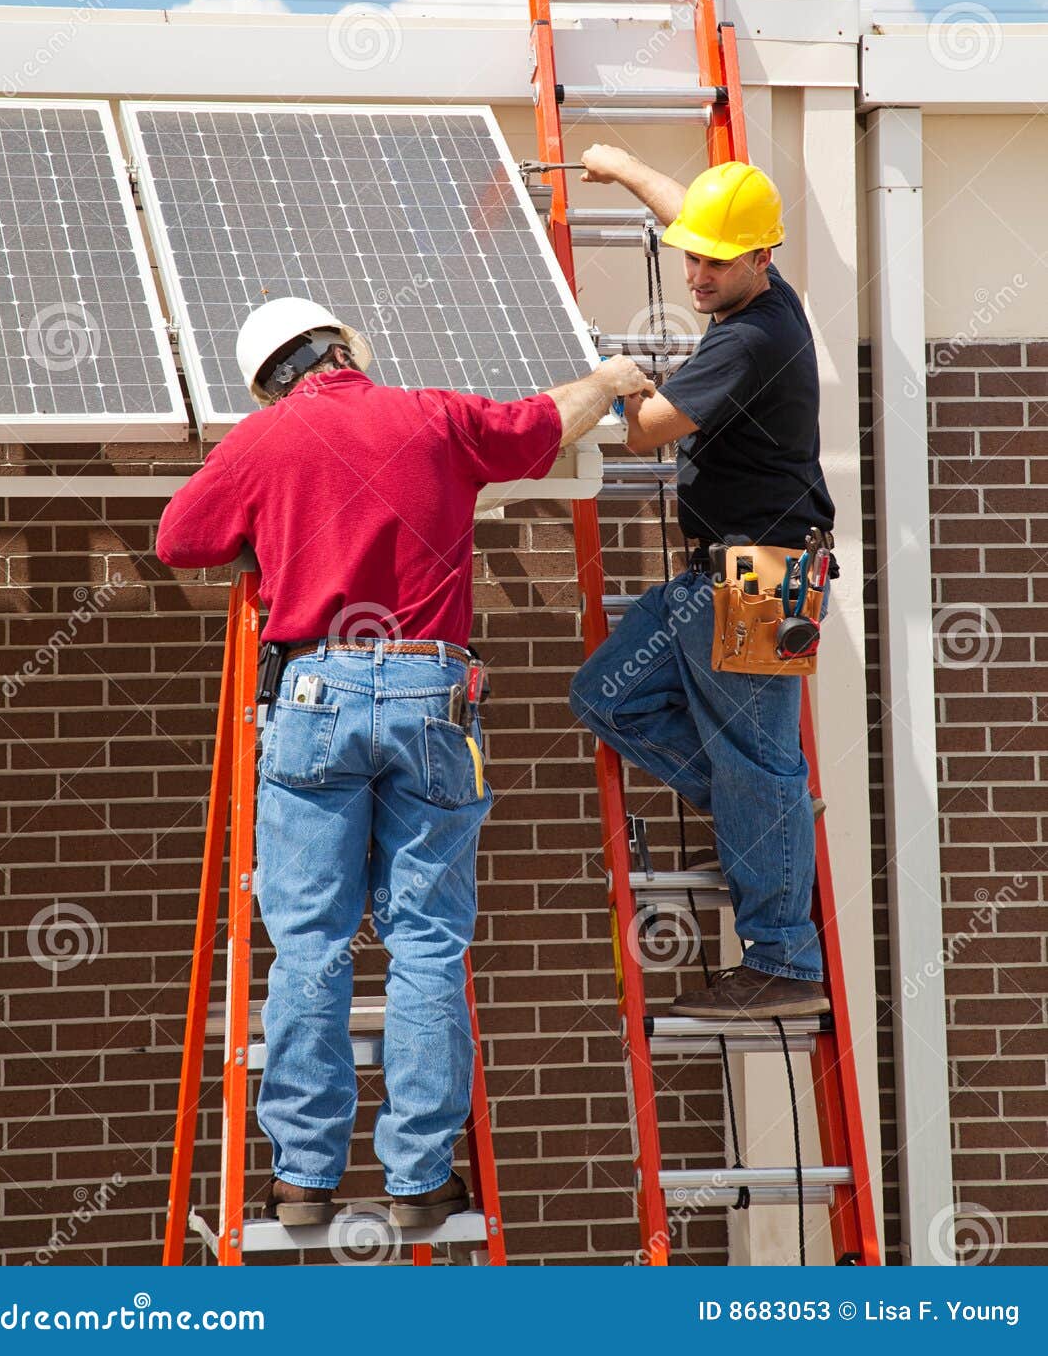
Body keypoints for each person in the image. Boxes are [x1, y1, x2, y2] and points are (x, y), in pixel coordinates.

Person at [156, 295, 651, 1228]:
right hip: (432, 694)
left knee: (309, 946)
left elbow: (181, 539)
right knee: (427, 943)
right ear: (344, 348)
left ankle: (303, 1178)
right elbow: (541, 421)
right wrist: (613, 379)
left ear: (269, 380)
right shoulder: (434, 416)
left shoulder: (265, 441)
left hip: (313, 697)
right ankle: (420, 1178)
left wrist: (279, 521)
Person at [569, 147, 836, 1022]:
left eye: (714, 261)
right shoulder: (762, 283)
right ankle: (767, 812)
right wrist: (619, 164)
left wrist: (612, 380)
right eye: (690, 255)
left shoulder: (752, 337)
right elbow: (692, 207)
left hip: (764, 576)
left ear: (760, 257)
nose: (695, 273)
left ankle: (783, 961)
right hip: (719, 574)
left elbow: (646, 430)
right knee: (607, 694)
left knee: (758, 762)